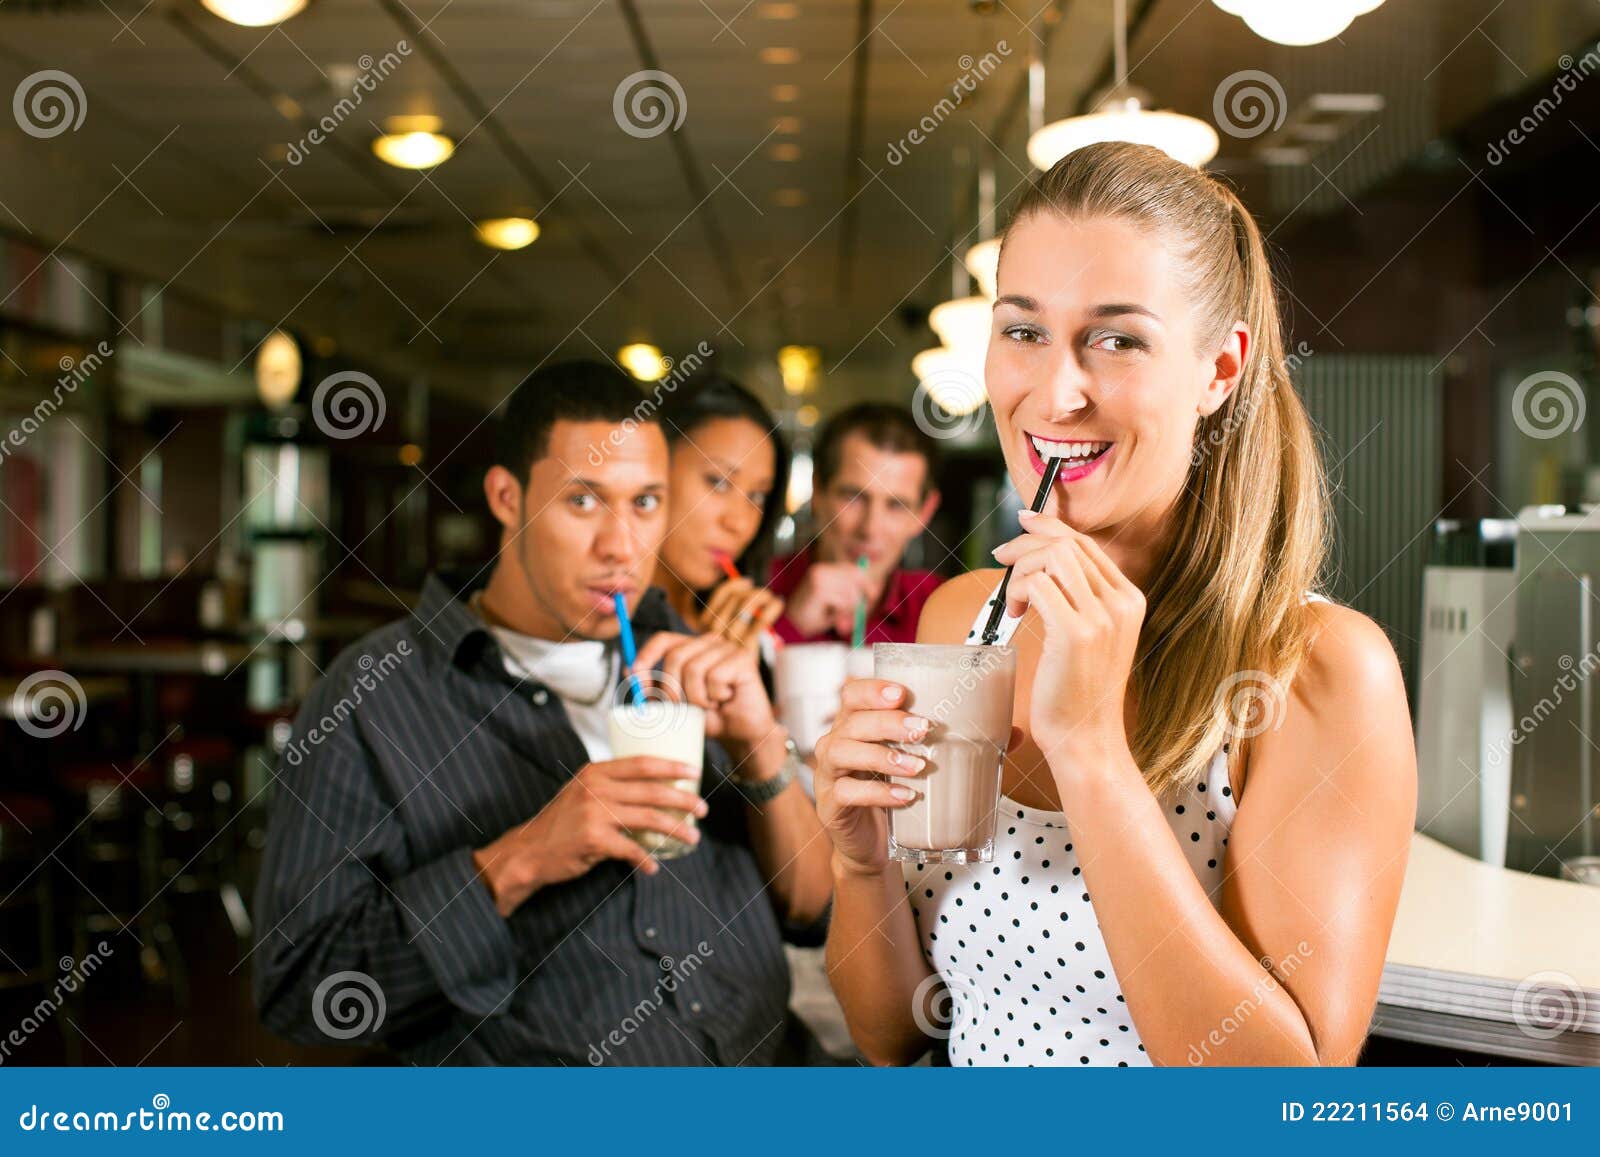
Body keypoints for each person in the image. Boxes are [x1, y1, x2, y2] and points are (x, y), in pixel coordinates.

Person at [814, 141, 1417, 1067]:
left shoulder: (1319, 666)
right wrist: (858, 860)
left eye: (1118, 339)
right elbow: (894, 1033)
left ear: (1220, 369)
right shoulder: (961, 622)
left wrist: (1092, 751)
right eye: (1023, 331)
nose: (1057, 393)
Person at [253, 360, 832, 1065]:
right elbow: (300, 990)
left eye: (646, 503)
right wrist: (517, 860)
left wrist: (761, 746)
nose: (621, 546)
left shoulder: (691, 656)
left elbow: (814, 913)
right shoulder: (373, 695)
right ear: (507, 497)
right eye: (583, 501)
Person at [769, 403, 943, 646]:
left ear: (924, 512)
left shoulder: (945, 608)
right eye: (853, 497)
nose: (870, 529)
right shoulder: (755, 588)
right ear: (817, 491)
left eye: (896, 505)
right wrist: (788, 628)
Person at [654, 375, 790, 653]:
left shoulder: (749, 636)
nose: (739, 523)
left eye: (757, 496)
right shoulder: (597, 632)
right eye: (718, 482)